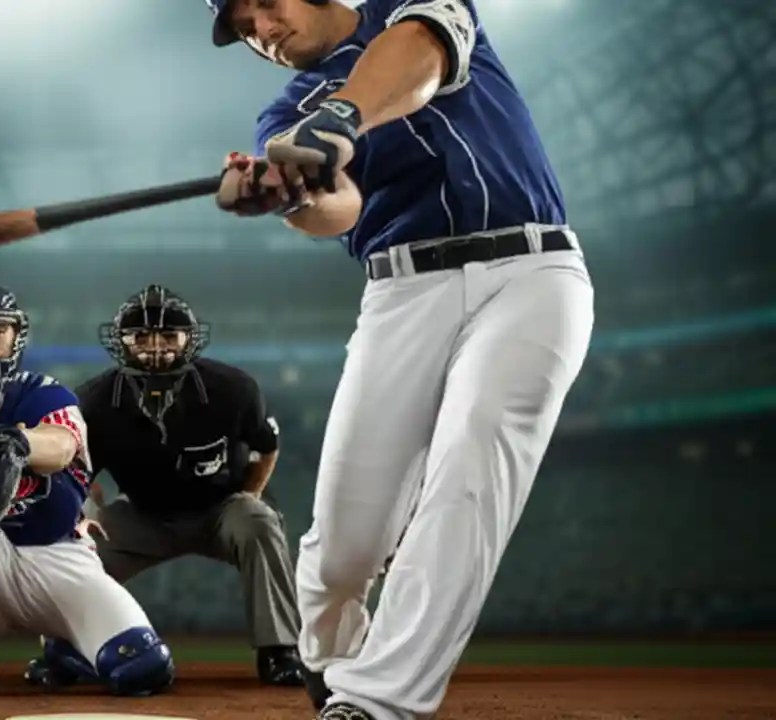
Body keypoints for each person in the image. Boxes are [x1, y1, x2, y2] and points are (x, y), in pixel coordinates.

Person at [206, 1, 595, 719]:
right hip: (401, 294)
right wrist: (284, 193)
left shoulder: (405, 7)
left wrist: (342, 122)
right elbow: (340, 209)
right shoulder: (285, 115)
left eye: (263, 2)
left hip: (531, 274)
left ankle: (380, 701)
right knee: (344, 547)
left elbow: (420, 59)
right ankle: (330, 662)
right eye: (241, 25)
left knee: (470, 473)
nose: (259, 27)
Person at [0, 279, 174, 697]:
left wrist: (16, 442)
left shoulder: (43, 394)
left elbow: (62, 447)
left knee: (142, 668)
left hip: (54, 552)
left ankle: (67, 650)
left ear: (14, 337)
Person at [26, 284, 304, 688]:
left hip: (219, 510)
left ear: (189, 340)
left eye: (167, 336)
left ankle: (280, 651)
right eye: (141, 337)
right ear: (122, 342)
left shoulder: (232, 388)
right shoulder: (94, 401)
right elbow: (77, 472)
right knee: (75, 543)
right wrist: (88, 511)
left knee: (258, 520)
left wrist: (250, 494)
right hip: (143, 515)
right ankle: (66, 651)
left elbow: (268, 447)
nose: (155, 347)